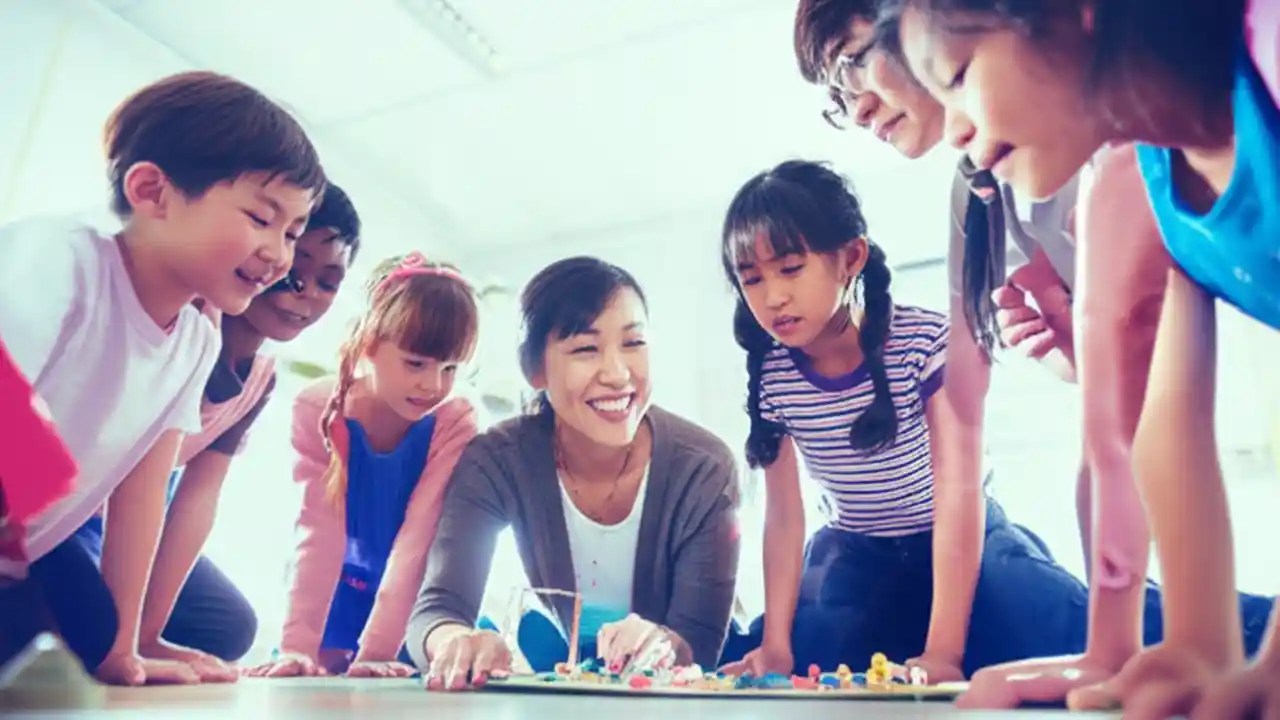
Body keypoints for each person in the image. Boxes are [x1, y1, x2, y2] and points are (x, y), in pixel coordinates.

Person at [885, 0, 1280, 714]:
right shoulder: (1137, 185)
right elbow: (1165, 424)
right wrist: (1195, 645)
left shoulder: (1266, 55)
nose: (955, 130)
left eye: (959, 75)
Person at [0, 70, 324, 685]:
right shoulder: (62, 255)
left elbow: (143, 490)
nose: (280, 255)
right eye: (261, 217)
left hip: (21, 558)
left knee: (91, 634)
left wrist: (125, 645)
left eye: (292, 231)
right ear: (153, 192)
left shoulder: (196, 342)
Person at [716, 159, 1090, 681]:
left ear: (850, 257)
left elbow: (957, 496)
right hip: (856, 549)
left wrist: (944, 654)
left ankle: (1242, 632)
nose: (773, 296)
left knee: (1048, 617)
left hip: (958, 532)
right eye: (751, 279)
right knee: (816, 646)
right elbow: (783, 517)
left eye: (791, 269)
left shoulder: (923, 344)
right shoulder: (774, 377)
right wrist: (777, 644)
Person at [65, 183, 364, 676]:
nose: (304, 292)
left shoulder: (262, 377)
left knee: (228, 626)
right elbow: (137, 480)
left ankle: (112, 630)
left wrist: (148, 636)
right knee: (89, 621)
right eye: (293, 268)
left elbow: (195, 499)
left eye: (328, 282)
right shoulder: (185, 323)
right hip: (75, 513)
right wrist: (122, 644)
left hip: (136, 521)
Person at [407, 257, 740, 690]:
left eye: (634, 343)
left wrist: (663, 643)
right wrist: (456, 641)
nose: (618, 374)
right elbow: (438, 607)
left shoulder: (704, 468)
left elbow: (699, 641)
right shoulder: (497, 459)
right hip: (576, 673)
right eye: (586, 349)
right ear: (536, 370)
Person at [246, 252, 480, 679]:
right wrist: (297, 647)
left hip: (413, 605)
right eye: (416, 363)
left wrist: (377, 651)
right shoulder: (319, 407)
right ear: (370, 344)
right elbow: (319, 533)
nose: (433, 385)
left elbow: (417, 540)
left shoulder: (453, 419)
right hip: (335, 597)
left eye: (450, 368)